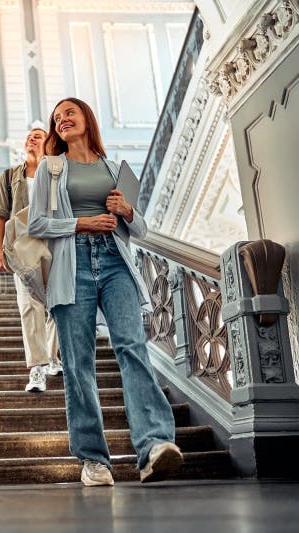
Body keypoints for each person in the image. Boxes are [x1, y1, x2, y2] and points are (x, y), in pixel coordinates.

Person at [28, 97, 182, 486]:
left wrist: (127, 212)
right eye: (56, 117)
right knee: (78, 363)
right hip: (72, 267)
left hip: (115, 262)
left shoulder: (113, 168)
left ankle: (155, 445)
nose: (62, 120)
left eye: (69, 113)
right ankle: (93, 458)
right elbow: (36, 225)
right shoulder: (51, 168)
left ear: (86, 119)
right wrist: (81, 223)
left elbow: (140, 230)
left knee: (132, 348)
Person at [0, 126, 61, 392]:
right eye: (29, 136)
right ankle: (37, 369)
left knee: (57, 303)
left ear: (48, 143)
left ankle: (53, 357)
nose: (32, 139)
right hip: (22, 249)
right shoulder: (9, 177)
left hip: (56, 244)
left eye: (38, 136)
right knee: (30, 305)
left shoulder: (58, 170)